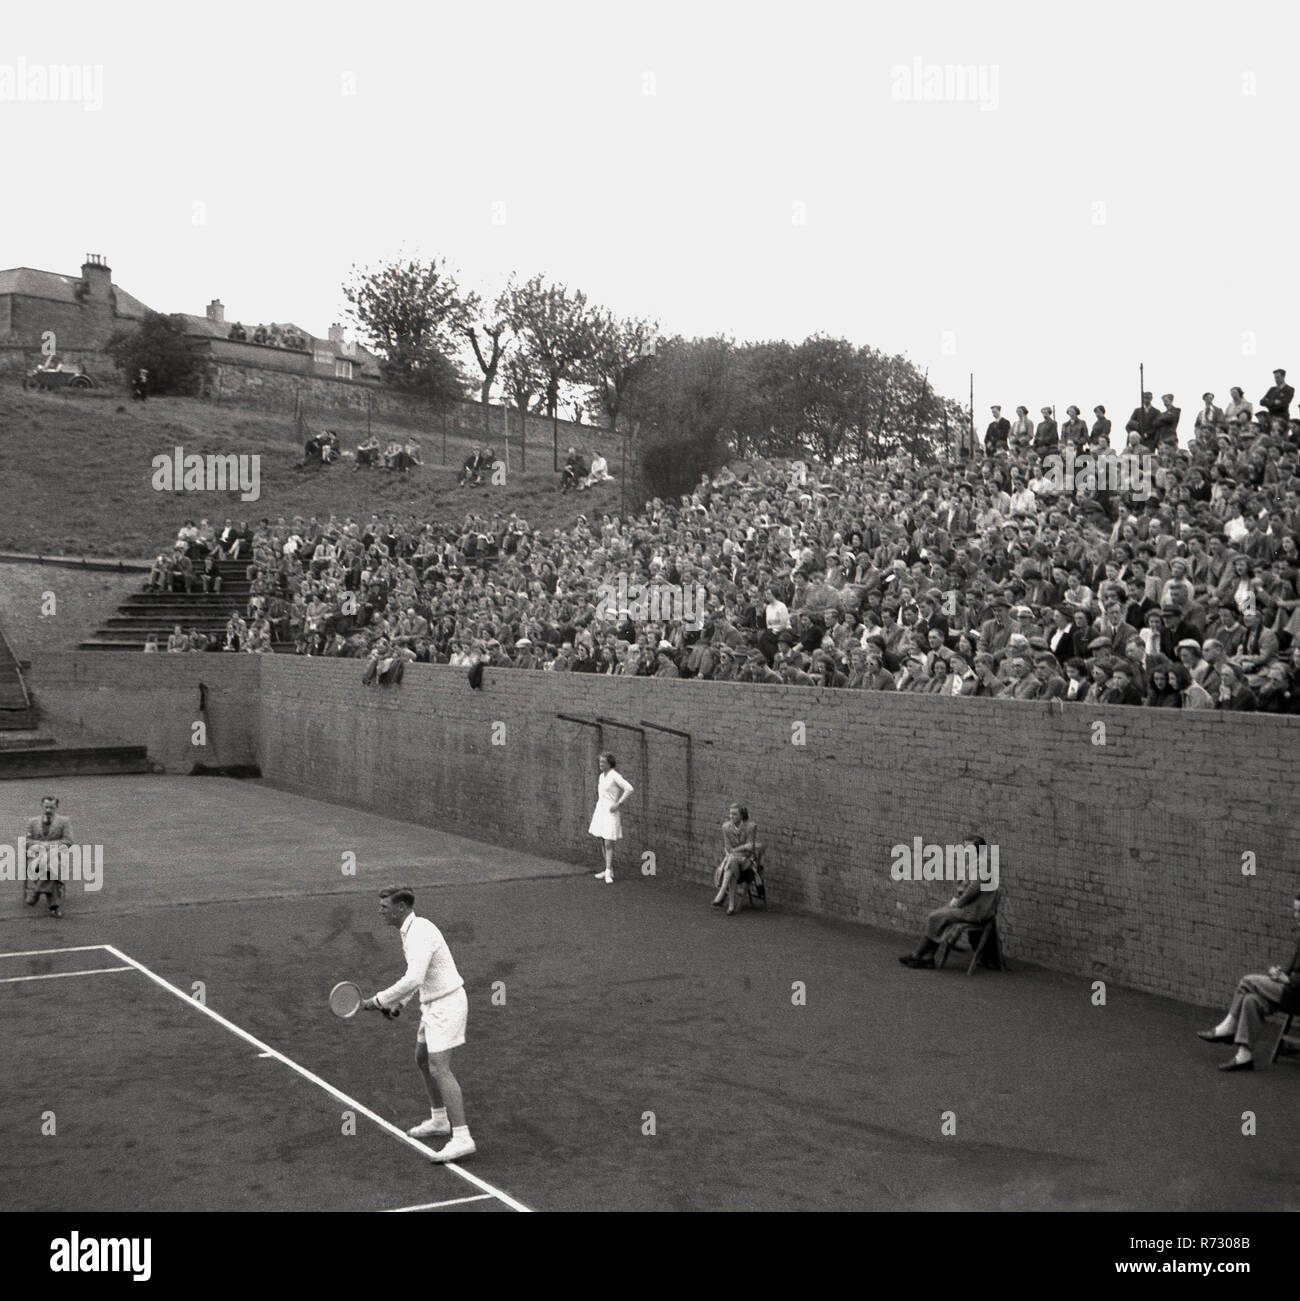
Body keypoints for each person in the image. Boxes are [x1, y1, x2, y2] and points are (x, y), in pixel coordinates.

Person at [361, 887, 475, 1162]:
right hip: (433, 1003)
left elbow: (413, 979)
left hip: (447, 1005)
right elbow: (419, 976)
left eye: (385, 907)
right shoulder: (409, 931)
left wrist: (378, 1000)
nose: (380, 911)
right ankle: (439, 1119)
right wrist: (399, 1004)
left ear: (401, 908)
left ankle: (462, 1138)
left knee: (439, 1067)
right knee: (422, 1059)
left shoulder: (420, 933)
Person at [1196, 895, 1300, 1070]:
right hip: (1290, 990)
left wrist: (1287, 979)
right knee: (1251, 1000)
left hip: (1296, 995)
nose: (1297, 915)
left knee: (1247, 981)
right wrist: (1281, 972)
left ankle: (1228, 1028)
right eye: (1295, 910)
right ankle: (1244, 1056)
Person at [898, 834, 999, 968]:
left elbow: (973, 890)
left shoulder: (982, 866)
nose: (965, 852)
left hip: (973, 911)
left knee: (936, 917)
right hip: (969, 907)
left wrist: (958, 902)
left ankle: (917, 955)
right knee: (939, 918)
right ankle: (928, 958)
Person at [24, 794, 73, 917]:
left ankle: (37, 893)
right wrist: (42, 845)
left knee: (51, 867)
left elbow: (68, 841)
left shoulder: (64, 821)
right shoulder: (32, 822)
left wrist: (49, 846)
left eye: (51, 807)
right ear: (42, 806)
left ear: (56, 807)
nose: (48, 810)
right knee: (50, 867)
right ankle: (54, 907)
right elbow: (27, 842)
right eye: (46, 807)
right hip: (36, 861)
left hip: (56, 859)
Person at [588, 751, 633, 883]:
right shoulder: (601, 776)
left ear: (609, 763)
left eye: (603, 762)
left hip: (611, 811)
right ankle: (609, 869)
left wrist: (618, 804)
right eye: (600, 762)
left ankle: (608, 872)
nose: (600, 764)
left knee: (608, 842)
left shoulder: (615, 776)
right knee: (602, 839)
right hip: (600, 810)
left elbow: (629, 788)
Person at [712, 803, 764, 915]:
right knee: (732, 865)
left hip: (747, 862)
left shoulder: (750, 827)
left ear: (742, 815)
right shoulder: (725, 827)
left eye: (735, 814)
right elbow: (727, 848)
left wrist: (735, 851)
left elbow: (750, 847)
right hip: (734, 862)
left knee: (731, 861)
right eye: (730, 814)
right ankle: (731, 906)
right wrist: (739, 850)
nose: (731, 816)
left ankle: (722, 892)